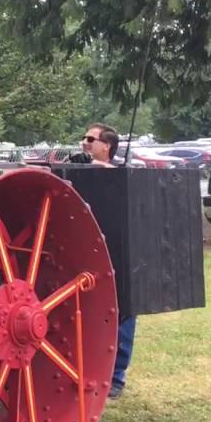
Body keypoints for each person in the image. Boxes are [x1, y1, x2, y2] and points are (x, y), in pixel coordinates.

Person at [79, 122, 134, 398]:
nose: (84, 142)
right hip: (86, 252)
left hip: (117, 252)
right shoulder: (79, 171)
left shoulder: (119, 174)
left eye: (91, 139)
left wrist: (101, 169)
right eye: (83, 138)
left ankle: (116, 378)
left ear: (107, 147)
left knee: (122, 311)